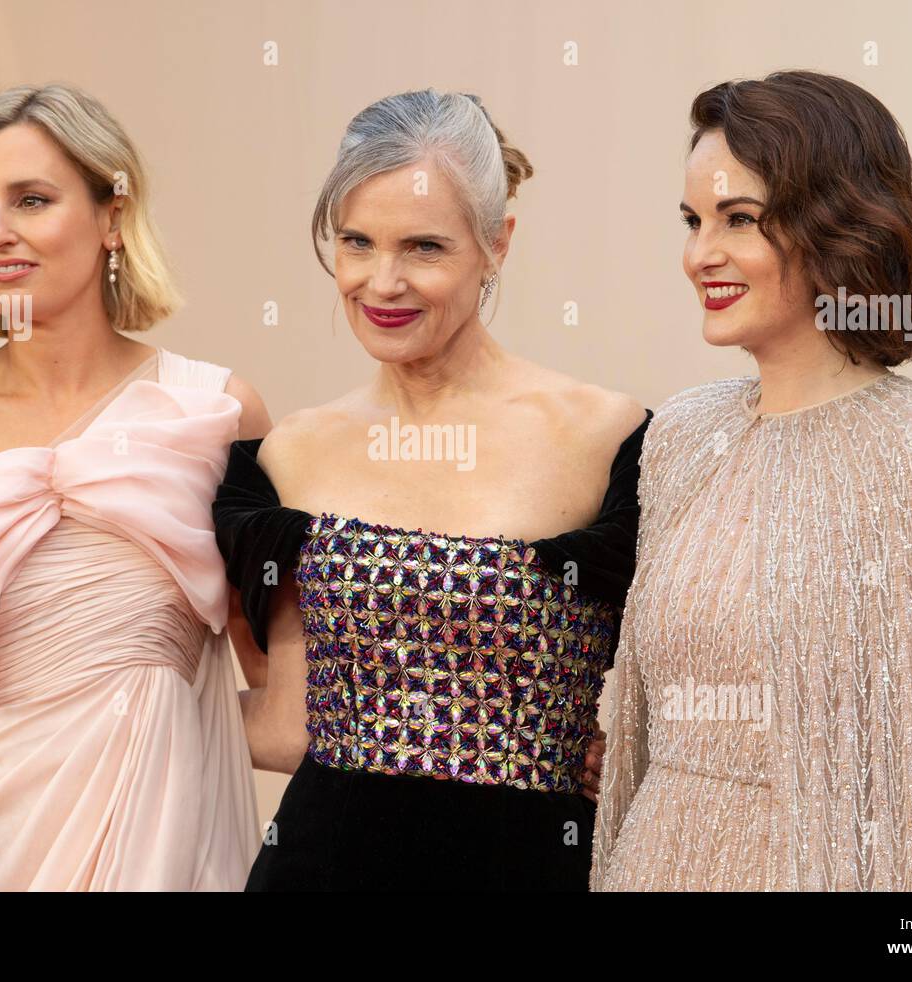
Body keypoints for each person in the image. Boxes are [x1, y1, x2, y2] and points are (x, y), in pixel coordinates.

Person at [591, 71, 912, 891]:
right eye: (692, 221)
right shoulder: (682, 433)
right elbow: (639, 734)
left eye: (739, 220)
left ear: (835, 225)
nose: (698, 254)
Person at [214, 88, 649, 890]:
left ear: (497, 244)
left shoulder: (609, 438)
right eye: (356, 242)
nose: (382, 282)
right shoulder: (287, 457)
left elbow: (701, 669)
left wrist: (628, 747)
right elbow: (282, 728)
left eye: (423, 248)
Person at [0, 84, 267, 890]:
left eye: (31, 200)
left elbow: (281, 693)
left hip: (164, 856)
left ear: (112, 214)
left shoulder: (216, 411)